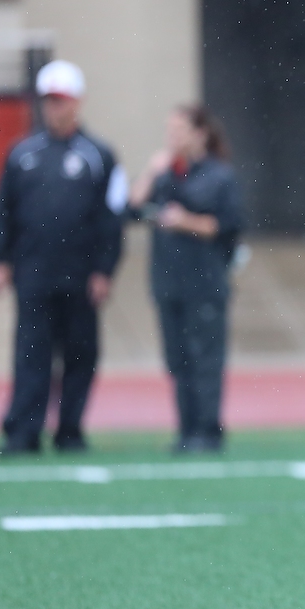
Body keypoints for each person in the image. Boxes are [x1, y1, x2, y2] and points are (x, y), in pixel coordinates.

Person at [0, 60, 126, 455]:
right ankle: (23, 432)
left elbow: (111, 218)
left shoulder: (99, 155)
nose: (55, 108)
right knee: (31, 354)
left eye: (61, 100)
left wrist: (104, 269)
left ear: (77, 102)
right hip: (33, 273)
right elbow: (3, 211)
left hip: (80, 275)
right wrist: (1, 260)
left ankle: (70, 428)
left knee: (81, 355)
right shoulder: (21, 153)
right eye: (49, 100)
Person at [127, 105, 242, 453]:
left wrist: (185, 221)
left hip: (204, 284)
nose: (173, 137)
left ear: (200, 134)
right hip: (168, 283)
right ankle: (187, 430)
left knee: (204, 360)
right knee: (178, 361)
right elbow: (131, 208)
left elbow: (227, 226)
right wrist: (151, 170)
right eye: (170, 130)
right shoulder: (165, 175)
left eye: (180, 130)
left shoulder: (219, 177)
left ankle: (208, 431)